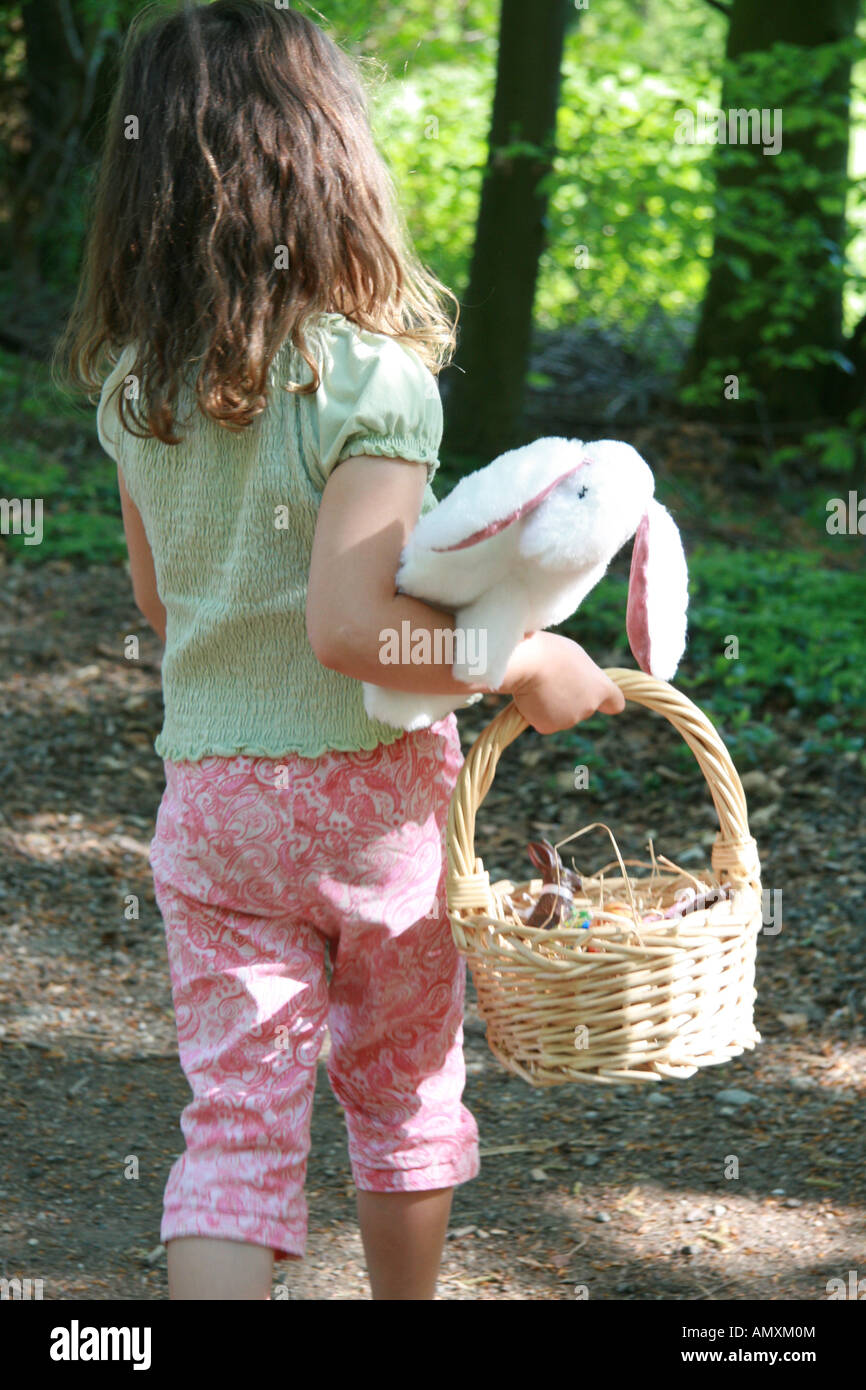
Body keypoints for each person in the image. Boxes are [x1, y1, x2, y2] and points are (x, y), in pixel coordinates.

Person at [53, 0, 624, 1301]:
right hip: (370, 807)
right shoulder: (370, 382)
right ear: (329, 161)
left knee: (237, 1126)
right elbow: (351, 627)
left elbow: (162, 602)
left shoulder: (141, 383)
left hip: (214, 805)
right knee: (404, 1086)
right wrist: (524, 655)